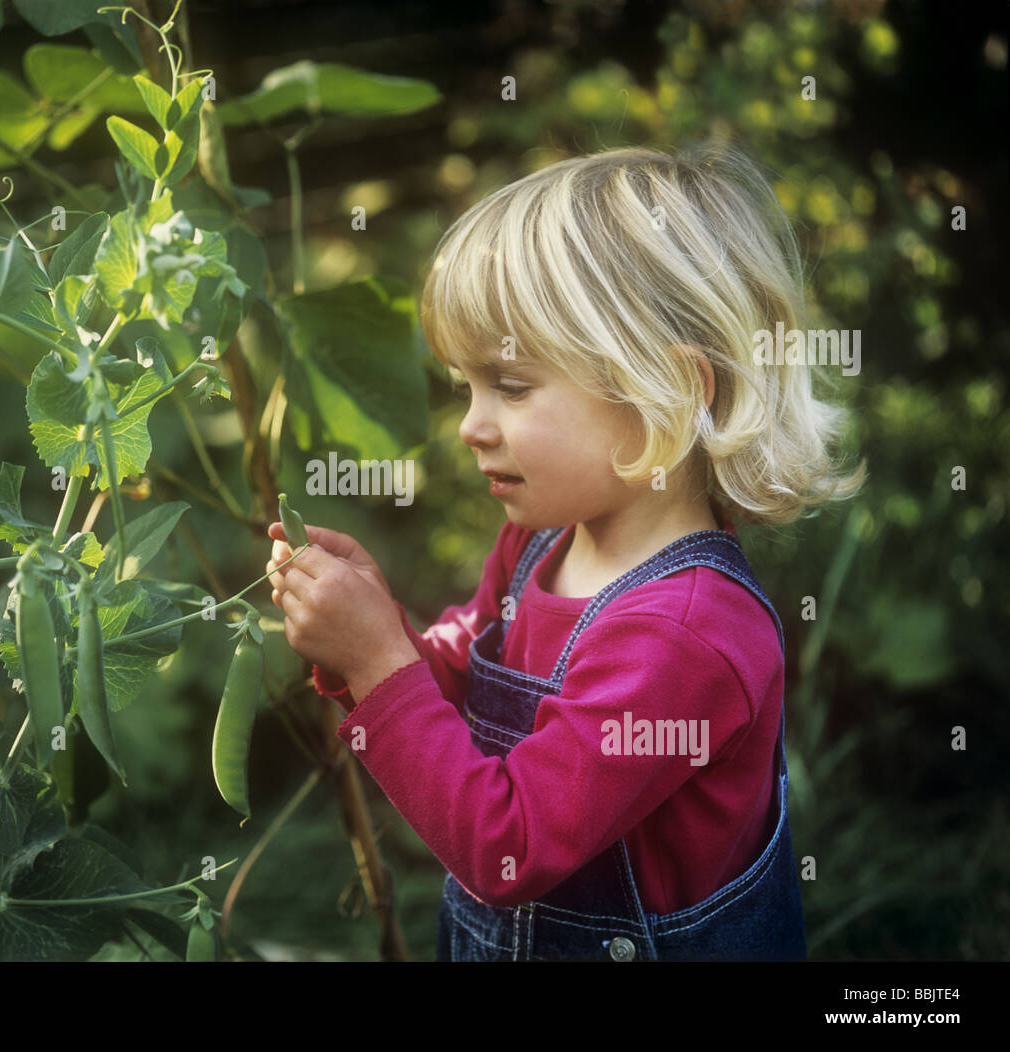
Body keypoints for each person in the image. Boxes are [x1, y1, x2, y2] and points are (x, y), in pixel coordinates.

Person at [265, 141, 866, 962]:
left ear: (674, 392)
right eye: (466, 387)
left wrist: (375, 663)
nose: (472, 425)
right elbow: (465, 681)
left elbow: (504, 848)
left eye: (511, 387)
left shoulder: (687, 635)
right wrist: (376, 629)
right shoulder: (539, 544)